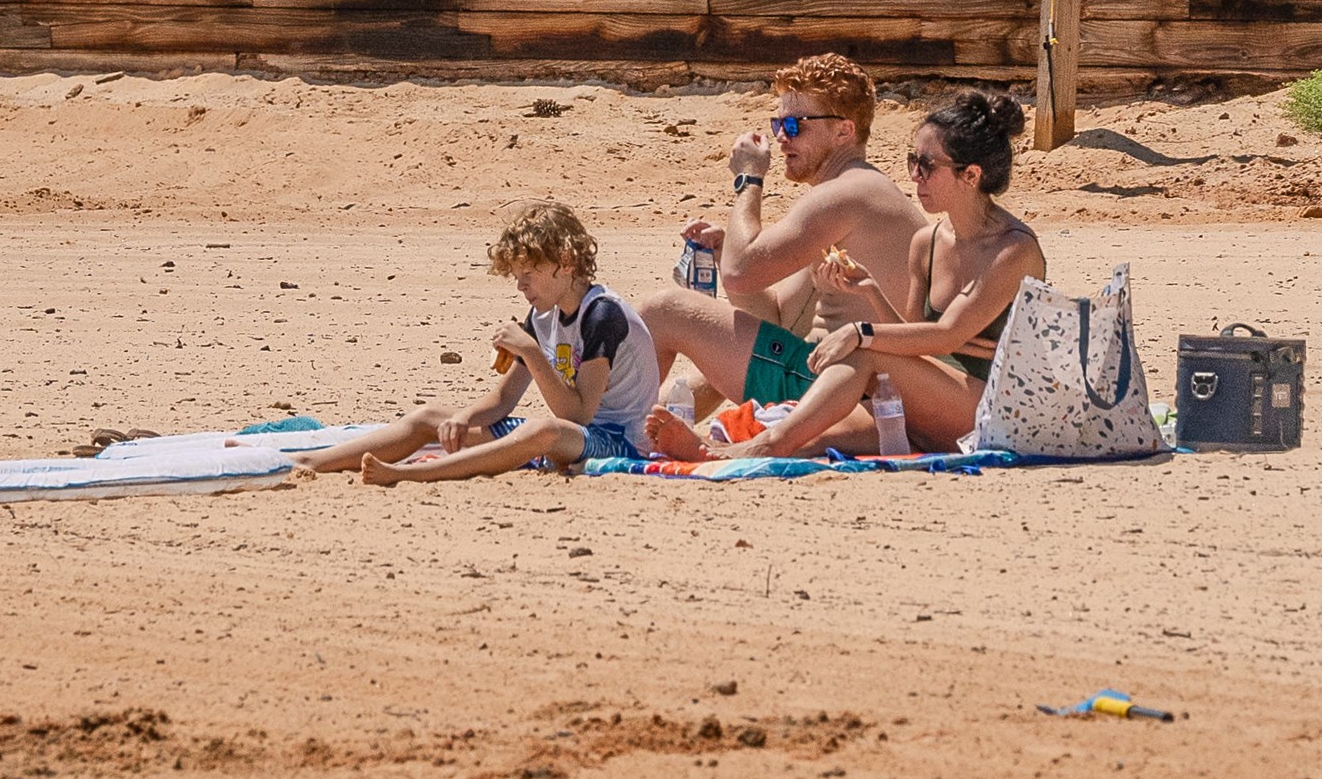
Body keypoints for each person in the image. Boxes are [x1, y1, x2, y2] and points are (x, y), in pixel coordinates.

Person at [643, 90, 1042, 460]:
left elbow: (946, 335)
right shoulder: (929, 240)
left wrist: (860, 331)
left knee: (860, 354)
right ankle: (716, 449)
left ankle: (757, 450)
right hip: (933, 395)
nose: (914, 176)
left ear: (971, 176)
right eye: (911, 161)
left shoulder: (1012, 249)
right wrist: (869, 291)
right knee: (819, 435)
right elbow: (913, 336)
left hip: (989, 407)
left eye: (926, 165)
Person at [636, 54, 925, 419]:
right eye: (778, 124)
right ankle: (634, 425)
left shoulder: (844, 196)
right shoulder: (861, 192)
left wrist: (749, 179)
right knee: (713, 361)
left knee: (663, 311)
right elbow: (774, 316)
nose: (781, 138)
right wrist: (728, 248)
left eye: (794, 125)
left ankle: (612, 429)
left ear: (843, 131)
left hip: (840, 390)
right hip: (851, 386)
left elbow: (742, 271)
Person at [302, 200, 659, 483]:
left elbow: (576, 415)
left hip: (620, 443)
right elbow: (504, 399)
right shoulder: (543, 315)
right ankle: (307, 461)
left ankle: (411, 474)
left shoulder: (601, 315)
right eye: (517, 276)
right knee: (431, 417)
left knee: (543, 429)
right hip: (575, 436)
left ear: (565, 263)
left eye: (529, 274)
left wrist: (531, 352)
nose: (521, 286)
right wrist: (463, 418)